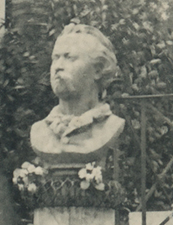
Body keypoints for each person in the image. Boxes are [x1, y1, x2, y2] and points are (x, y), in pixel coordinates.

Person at [29, 23, 126, 164]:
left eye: (70, 58)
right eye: (55, 58)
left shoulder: (110, 126)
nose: (58, 66)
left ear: (98, 70)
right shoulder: (40, 131)